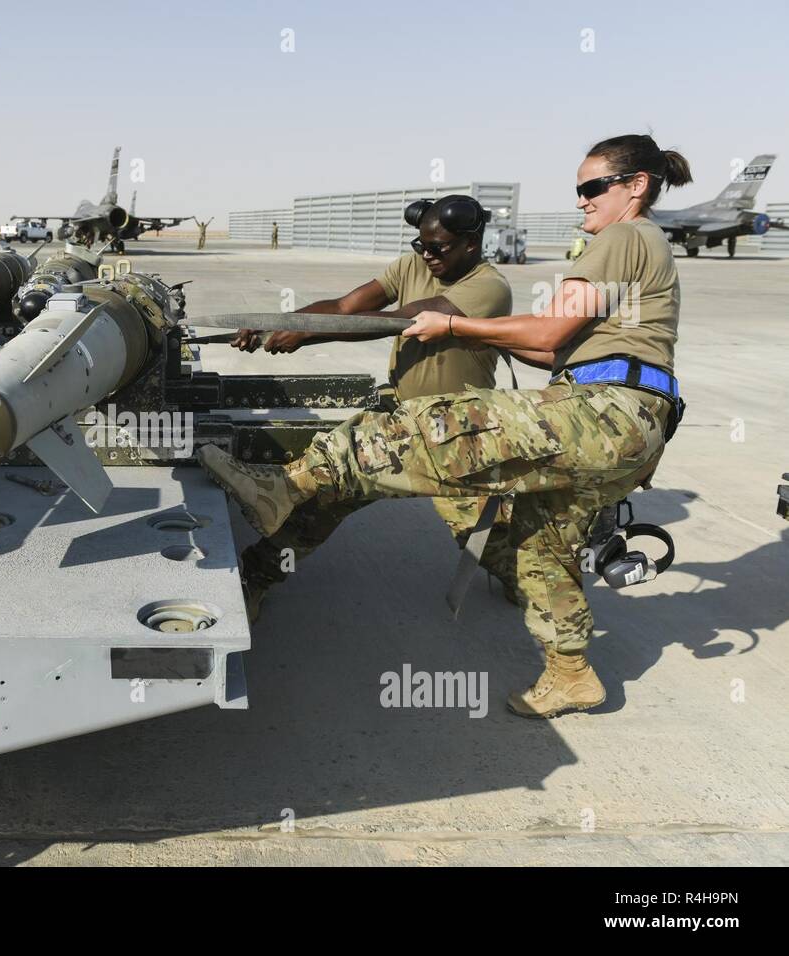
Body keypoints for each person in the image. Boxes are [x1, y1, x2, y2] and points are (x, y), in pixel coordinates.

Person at [198, 133, 691, 718]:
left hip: (606, 412)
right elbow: (548, 352)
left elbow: (543, 334)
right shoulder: (643, 244)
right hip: (622, 418)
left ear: (635, 186)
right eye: (578, 190)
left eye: (592, 188)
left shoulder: (623, 235)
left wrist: (458, 329)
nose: (582, 200)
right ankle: (571, 673)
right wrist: (285, 323)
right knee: (542, 543)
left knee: (410, 430)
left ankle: (282, 485)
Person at [229, 196, 517, 620]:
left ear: (471, 244)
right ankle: (257, 575)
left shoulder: (489, 287)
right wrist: (281, 320)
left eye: (438, 248)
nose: (427, 256)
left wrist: (305, 334)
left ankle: (525, 575)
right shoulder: (414, 264)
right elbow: (348, 308)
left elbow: (398, 320)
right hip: (399, 413)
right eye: (422, 245)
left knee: (486, 534)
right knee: (332, 491)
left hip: (455, 427)